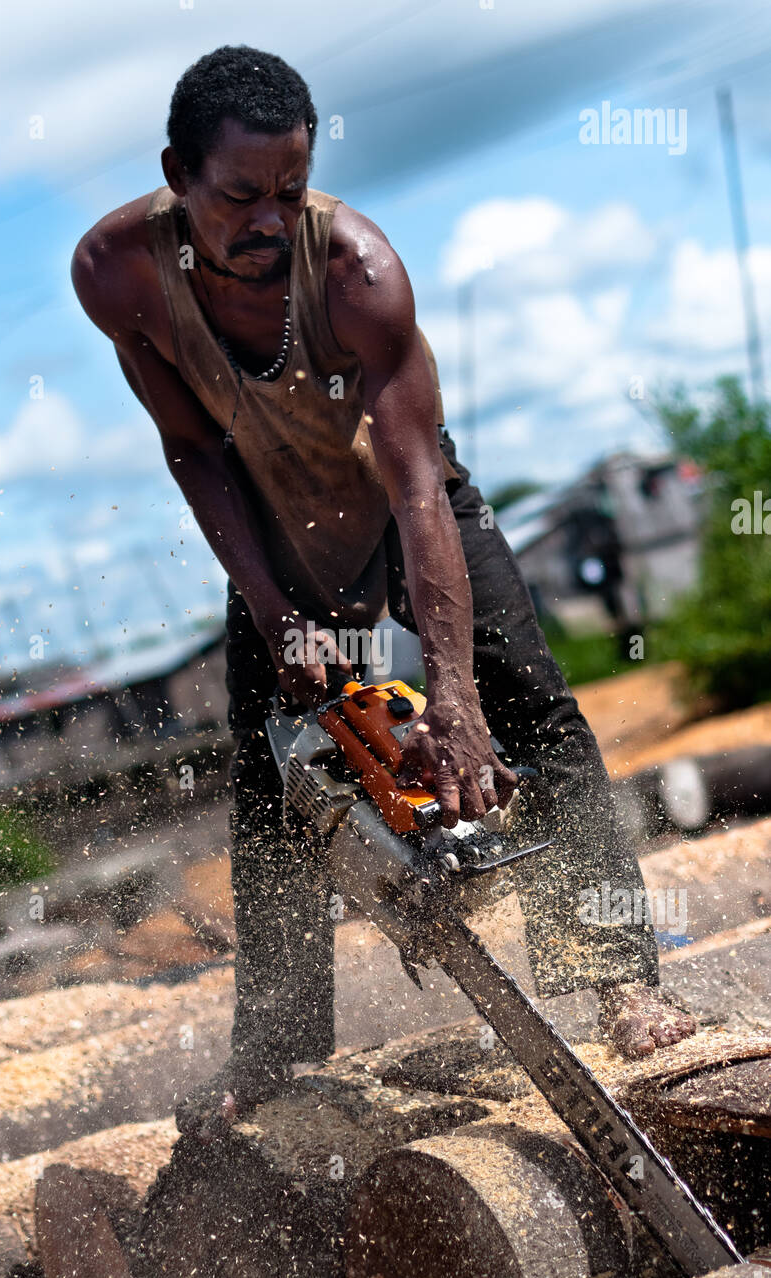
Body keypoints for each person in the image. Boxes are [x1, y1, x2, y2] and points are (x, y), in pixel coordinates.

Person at [71, 45, 696, 1136]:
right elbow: (193, 451)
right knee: (272, 780)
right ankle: (273, 1059)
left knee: (530, 709)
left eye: (287, 192)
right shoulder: (113, 274)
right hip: (271, 523)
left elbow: (414, 489)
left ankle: (619, 979)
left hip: (411, 504)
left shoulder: (359, 273)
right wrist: (273, 610)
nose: (267, 222)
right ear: (177, 173)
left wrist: (448, 697)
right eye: (236, 198)